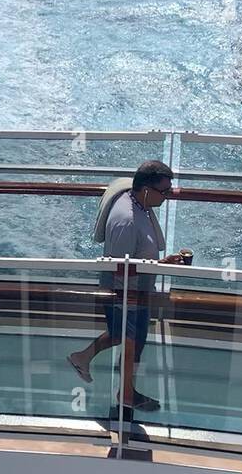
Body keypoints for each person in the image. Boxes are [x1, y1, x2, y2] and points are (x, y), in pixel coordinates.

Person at [67, 160, 188, 412]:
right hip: (126, 294)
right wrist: (130, 303)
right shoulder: (126, 221)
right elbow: (118, 267)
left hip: (136, 290)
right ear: (145, 190)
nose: (167, 197)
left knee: (123, 336)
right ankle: (126, 393)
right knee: (131, 340)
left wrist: (161, 262)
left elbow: (134, 257)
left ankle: (84, 359)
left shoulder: (141, 206)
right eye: (163, 192)